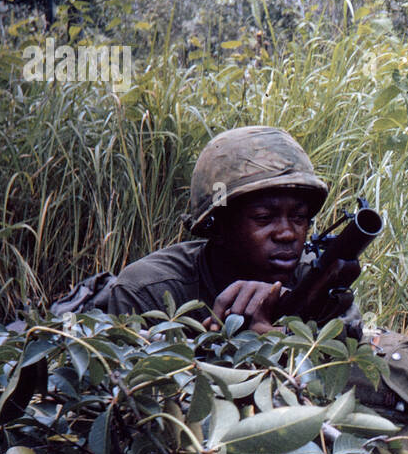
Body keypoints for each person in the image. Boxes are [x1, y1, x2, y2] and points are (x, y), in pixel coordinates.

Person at [92, 126, 362, 336]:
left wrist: (284, 338)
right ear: (218, 226)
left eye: (299, 217)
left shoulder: (314, 280)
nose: (287, 234)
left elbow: (343, 349)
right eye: (264, 217)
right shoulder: (148, 291)